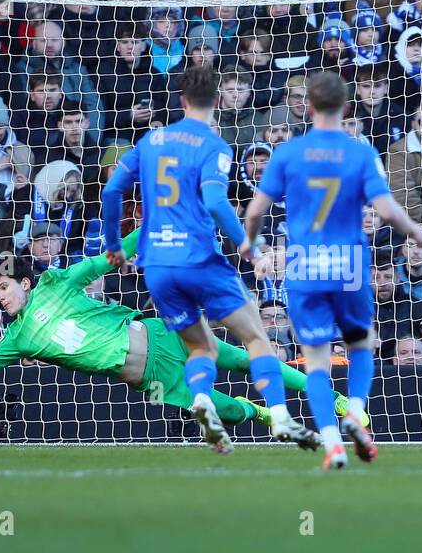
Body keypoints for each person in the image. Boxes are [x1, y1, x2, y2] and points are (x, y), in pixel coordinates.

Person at [0, 234, 356, 442]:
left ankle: (332, 398)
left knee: (244, 360)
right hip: (149, 379)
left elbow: (107, 259)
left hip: (158, 333)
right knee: (222, 408)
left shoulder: (57, 283)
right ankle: (260, 414)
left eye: (3, 286)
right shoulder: (17, 340)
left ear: (24, 283)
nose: (0, 297)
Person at [98, 64, 316, 453]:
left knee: (202, 347)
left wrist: (114, 244)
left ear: (182, 101)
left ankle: (200, 398)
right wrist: (248, 243)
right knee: (255, 337)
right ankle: (281, 416)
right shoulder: (214, 145)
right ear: (216, 101)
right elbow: (216, 201)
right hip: (199, 258)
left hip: (158, 269)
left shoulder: (150, 140)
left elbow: (112, 190)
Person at [242, 72, 422, 470]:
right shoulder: (359, 152)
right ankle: (356, 411)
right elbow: (385, 209)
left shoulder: (288, 153)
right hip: (349, 267)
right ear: (346, 108)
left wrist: (252, 246)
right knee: (361, 343)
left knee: (316, 360)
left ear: (308, 106)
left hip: (305, 269)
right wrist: (414, 229)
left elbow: (255, 211)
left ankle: (333, 444)